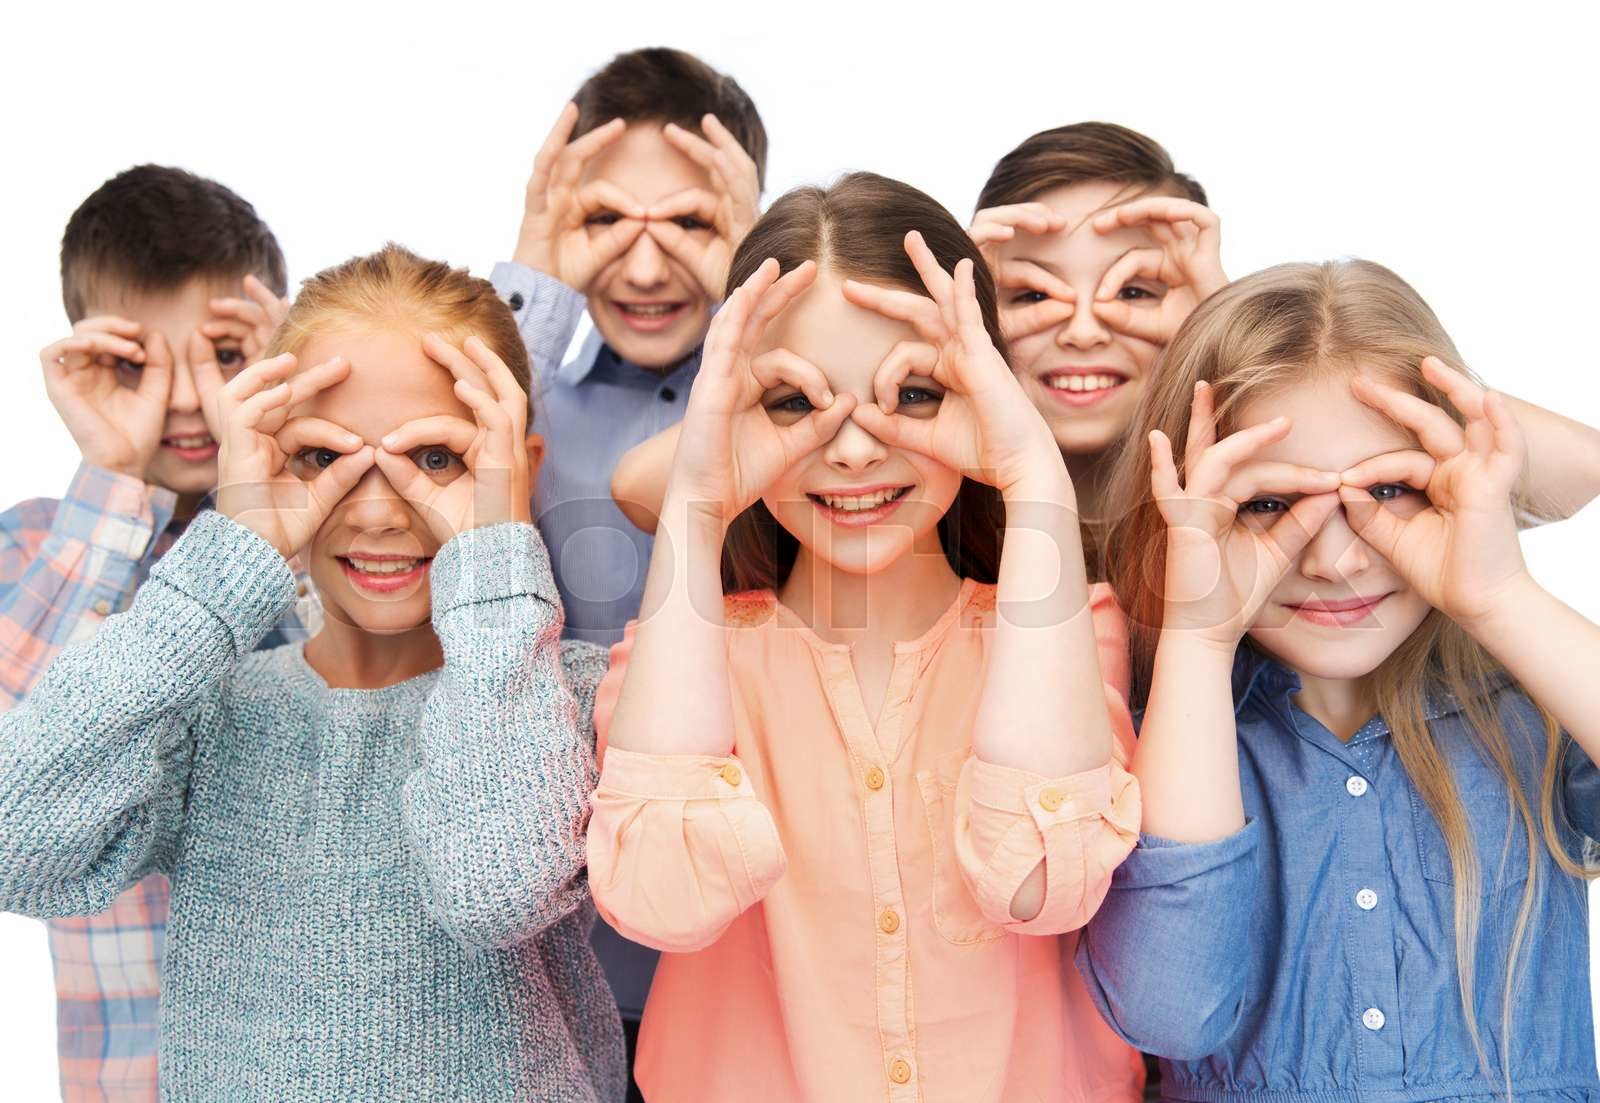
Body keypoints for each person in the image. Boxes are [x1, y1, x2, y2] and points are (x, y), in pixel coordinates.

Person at [0, 245, 625, 1101]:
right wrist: (227, 560)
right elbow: (17, 842)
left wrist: (492, 552)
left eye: (436, 458)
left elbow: (496, 887)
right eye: (323, 458)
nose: (374, 507)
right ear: (263, 462)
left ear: (519, 470)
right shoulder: (214, 706)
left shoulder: (570, 695)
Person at [587, 173, 1145, 1102]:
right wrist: (694, 499)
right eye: (796, 402)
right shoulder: (677, 660)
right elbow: (660, 899)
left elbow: (1042, 884)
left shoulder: (1072, 632)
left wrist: (1031, 475)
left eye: (915, 393)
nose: (852, 448)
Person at [1081, 258, 1600, 1100]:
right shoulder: (1161, 727)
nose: (1333, 556)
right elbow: (1171, 1012)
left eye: (1387, 489)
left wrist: (1500, 594)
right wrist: (1200, 637)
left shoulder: (1531, 703)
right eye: (1267, 504)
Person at [491, 50, 767, 1067]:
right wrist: (532, 270)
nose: (646, 269)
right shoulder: (529, 411)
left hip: (760, 957)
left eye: (692, 225)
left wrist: (756, 286)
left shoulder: (791, 403)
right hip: (561, 961)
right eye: (606, 222)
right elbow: (440, 454)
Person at [0, 163, 298, 1102]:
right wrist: (112, 481)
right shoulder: (43, 544)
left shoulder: (333, 530)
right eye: (137, 365)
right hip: (141, 1073)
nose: (184, 399)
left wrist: (293, 447)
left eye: (224, 359)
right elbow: (19, 767)